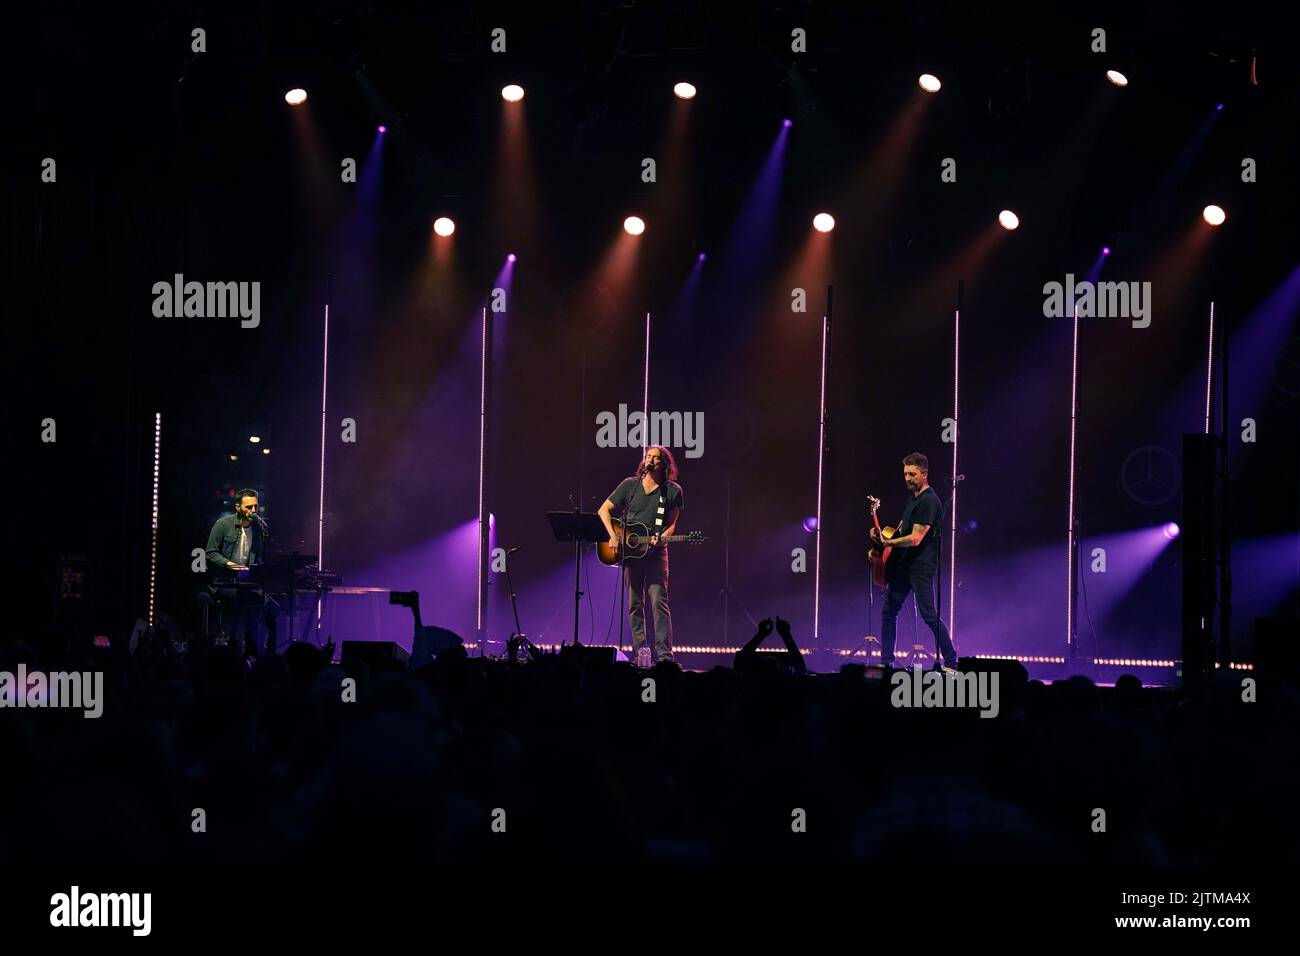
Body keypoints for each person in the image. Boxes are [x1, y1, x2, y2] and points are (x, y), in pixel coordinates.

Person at [869, 453, 958, 672]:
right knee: (889, 612)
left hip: (920, 566)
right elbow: (903, 529)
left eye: (912, 474)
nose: (907, 478)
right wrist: (881, 538)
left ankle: (952, 661)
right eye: (905, 474)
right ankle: (886, 662)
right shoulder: (914, 498)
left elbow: (916, 538)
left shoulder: (929, 501)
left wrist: (889, 541)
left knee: (929, 614)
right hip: (904, 564)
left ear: (924, 473)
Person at [598, 446, 684, 664]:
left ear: (664, 464)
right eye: (648, 457)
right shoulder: (630, 485)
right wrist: (613, 536)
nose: (651, 460)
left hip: (656, 554)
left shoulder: (672, 491)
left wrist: (662, 536)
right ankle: (640, 655)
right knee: (634, 604)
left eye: (656, 458)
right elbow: (603, 510)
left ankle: (665, 657)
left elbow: (672, 524)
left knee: (658, 603)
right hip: (630, 555)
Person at [204, 488, 274, 656]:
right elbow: (210, 553)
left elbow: (258, 558)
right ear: (237, 507)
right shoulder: (223, 524)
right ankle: (235, 643)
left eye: (255, 507)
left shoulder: (258, 530)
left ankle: (256, 647)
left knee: (271, 605)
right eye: (248, 507)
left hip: (246, 582)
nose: (253, 511)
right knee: (241, 599)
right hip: (223, 581)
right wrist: (232, 565)